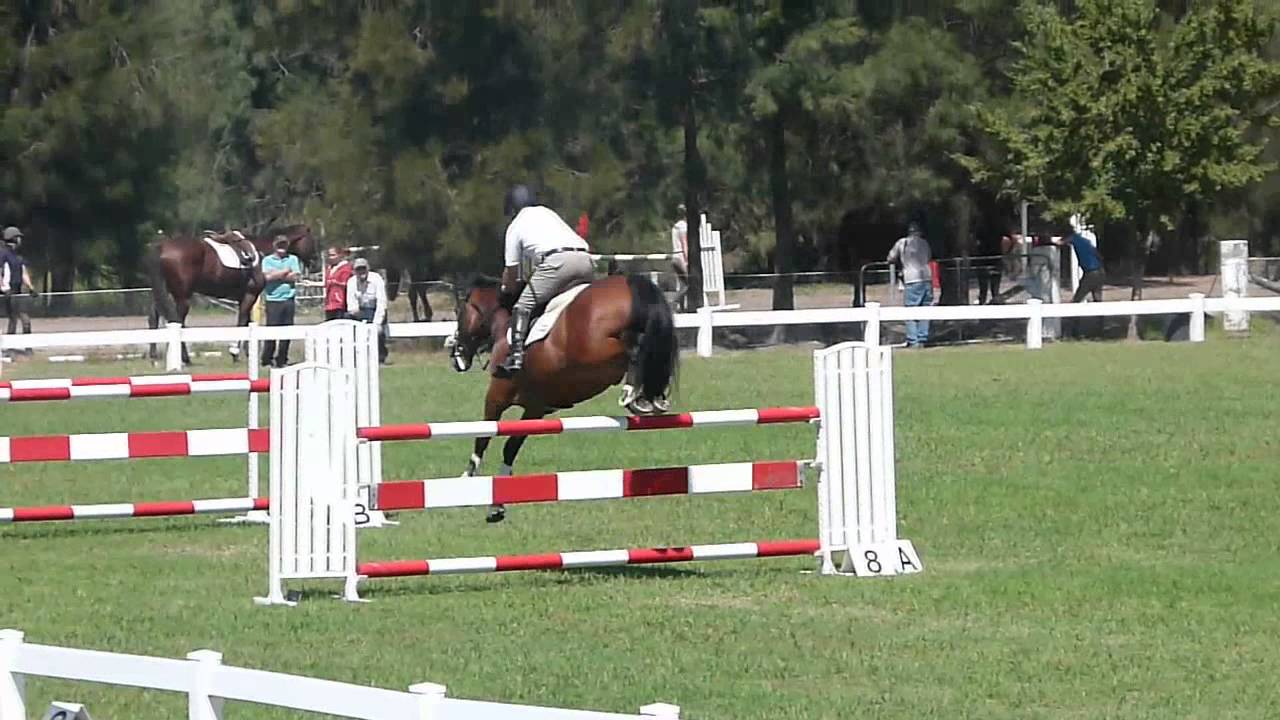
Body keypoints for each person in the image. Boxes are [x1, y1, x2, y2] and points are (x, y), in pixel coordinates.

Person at [497, 183, 594, 375]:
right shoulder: (549, 213)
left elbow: (512, 272)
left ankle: (515, 357)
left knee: (522, 306)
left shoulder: (516, 225)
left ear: (513, 208)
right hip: (586, 259)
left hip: (558, 263)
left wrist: (506, 289)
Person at [887, 221, 932, 348]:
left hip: (912, 279)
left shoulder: (902, 242)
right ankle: (923, 338)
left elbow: (890, 257)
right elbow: (928, 257)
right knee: (925, 310)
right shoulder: (924, 243)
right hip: (926, 278)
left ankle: (913, 340)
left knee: (910, 310)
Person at [260, 235, 301, 368]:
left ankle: (282, 359)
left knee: (287, 331)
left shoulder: (293, 259)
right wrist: (285, 272)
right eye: (279, 244)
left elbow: (295, 277)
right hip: (273, 299)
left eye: (284, 244)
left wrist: (276, 274)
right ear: (274, 245)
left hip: (288, 299)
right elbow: (267, 277)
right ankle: (267, 358)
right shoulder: (267, 260)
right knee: (271, 330)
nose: (281, 247)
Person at [346, 257, 390, 364]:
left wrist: (377, 323)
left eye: (363, 269)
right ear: (354, 271)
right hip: (361, 310)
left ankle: (381, 358)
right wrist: (355, 313)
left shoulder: (376, 279)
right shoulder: (351, 282)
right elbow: (351, 303)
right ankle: (355, 357)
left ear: (368, 269)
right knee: (347, 321)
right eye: (358, 269)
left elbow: (382, 302)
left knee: (378, 332)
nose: (361, 272)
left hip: (376, 309)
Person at [1051, 222, 1105, 303]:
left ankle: (1071, 315)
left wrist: (1048, 241)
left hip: (1090, 273)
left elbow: (1060, 242)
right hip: (1100, 271)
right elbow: (1098, 255)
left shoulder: (1072, 238)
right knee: (1097, 297)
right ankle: (1100, 315)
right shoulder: (1085, 241)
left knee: (1077, 298)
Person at [2, 226, 36, 350]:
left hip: (18, 291)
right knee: (14, 319)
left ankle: (27, 347)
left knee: (24, 319)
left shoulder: (18, 257)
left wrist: (31, 287)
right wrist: (4, 289)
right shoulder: (3, 254)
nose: (20, 240)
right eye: (18, 237)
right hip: (8, 291)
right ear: (12, 238)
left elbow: (23, 273)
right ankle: (10, 348)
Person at [324, 246, 353, 321]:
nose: (331, 257)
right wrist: (312, 283)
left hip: (340, 303)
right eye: (329, 255)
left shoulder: (346, 267)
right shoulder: (330, 268)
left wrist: (336, 282)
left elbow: (347, 284)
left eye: (333, 255)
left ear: (340, 255)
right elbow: (327, 283)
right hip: (329, 303)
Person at [670, 203, 689, 311]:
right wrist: (687, 260)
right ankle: (673, 302)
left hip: (674, 256)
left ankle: (681, 308)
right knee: (689, 284)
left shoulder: (675, 226)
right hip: (681, 256)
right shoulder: (683, 226)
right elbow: (684, 243)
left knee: (682, 284)